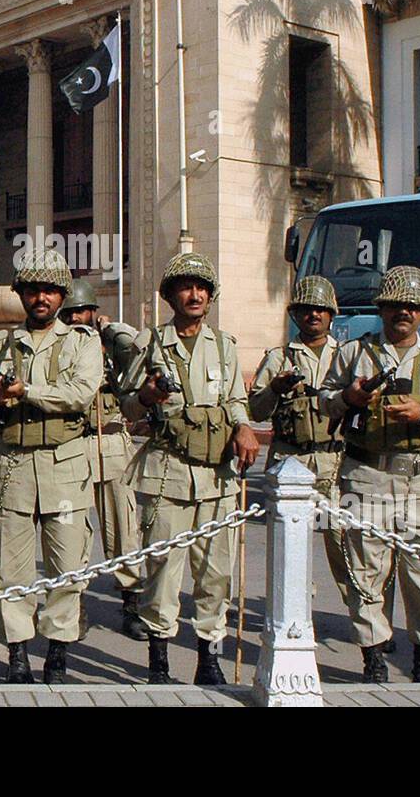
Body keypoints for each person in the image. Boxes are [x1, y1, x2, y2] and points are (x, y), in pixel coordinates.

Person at [319, 266, 420, 683]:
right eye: (393, 305)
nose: (402, 312)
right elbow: (326, 400)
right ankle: (373, 660)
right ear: (381, 310)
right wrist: (348, 396)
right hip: (367, 475)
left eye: (412, 306)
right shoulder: (355, 354)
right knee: (367, 573)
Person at [119, 252, 260, 685]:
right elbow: (123, 403)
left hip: (217, 475)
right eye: (185, 287)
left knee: (215, 573)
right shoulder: (150, 343)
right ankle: (159, 659)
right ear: (170, 296)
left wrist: (244, 427)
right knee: (163, 568)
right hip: (167, 471)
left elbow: (236, 399)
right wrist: (145, 398)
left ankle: (209, 657)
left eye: (202, 288)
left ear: (210, 296)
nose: (194, 294)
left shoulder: (224, 345)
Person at [0, 249, 102, 684]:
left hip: (64, 466)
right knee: (13, 568)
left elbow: (80, 393)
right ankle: (18, 653)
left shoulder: (83, 342)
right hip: (13, 467)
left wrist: (27, 392)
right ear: (21, 294)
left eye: (49, 290)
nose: (40, 298)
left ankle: (57, 653)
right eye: (32, 290)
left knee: (67, 567)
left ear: (61, 295)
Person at [248, 275, 354, 608]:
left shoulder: (348, 356)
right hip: (289, 461)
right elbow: (255, 409)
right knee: (290, 549)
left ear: (331, 314)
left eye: (321, 309)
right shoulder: (279, 357)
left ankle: (367, 625)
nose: (314, 315)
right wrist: (276, 389)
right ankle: (295, 614)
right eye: (307, 309)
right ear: (296, 315)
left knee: (347, 549)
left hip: (335, 462)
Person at [58, 278, 147, 640]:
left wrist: (115, 331)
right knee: (73, 534)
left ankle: (132, 605)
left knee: (123, 530)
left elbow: (140, 352)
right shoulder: (61, 348)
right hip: (73, 446)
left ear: (95, 313)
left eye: (85, 311)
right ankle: (74, 609)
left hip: (110, 443)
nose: (80, 317)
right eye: (72, 313)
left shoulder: (111, 344)